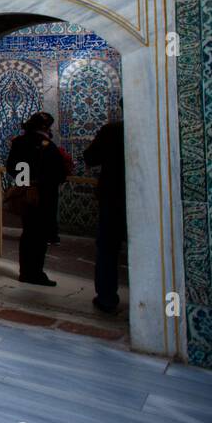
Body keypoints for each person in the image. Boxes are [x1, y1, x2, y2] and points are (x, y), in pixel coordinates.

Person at [6, 111, 68, 286]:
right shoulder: (48, 146)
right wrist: (38, 184)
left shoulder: (19, 142)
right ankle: (35, 273)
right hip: (44, 197)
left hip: (27, 196)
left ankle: (26, 271)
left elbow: (13, 167)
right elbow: (59, 174)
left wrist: (26, 183)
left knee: (28, 233)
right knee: (40, 236)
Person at [84, 119, 125, 313]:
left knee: (108, 249)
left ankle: (107, 298)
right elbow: (20, 165)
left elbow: (91, 157)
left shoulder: (112, 130)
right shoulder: (27, 142)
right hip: (134, 196)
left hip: (113, 196)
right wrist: (26, 184)